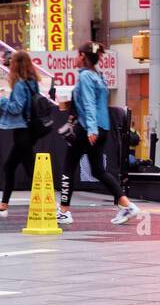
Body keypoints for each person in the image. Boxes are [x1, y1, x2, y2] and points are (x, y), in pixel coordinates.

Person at [57, 43, 141, 226]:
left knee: (68, 167)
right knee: (98, 170)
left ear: (82, 56)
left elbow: (88, 103)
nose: (75, 58)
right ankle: (127, 205)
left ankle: (64, 211)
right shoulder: (98, 76)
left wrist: (91, 129)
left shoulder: (86, 76)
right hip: (103, 128)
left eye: (77, 55)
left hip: (88, 129)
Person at [0, 50, 42, 217]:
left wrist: (2, 100)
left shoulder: (19, 85)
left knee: (30, 170)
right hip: (30, 130)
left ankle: (46, 204)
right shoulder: (33, 82)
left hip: (22, 130)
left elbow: (16, 108)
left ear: (15, 65)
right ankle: (3, 205)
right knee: (10, 166)